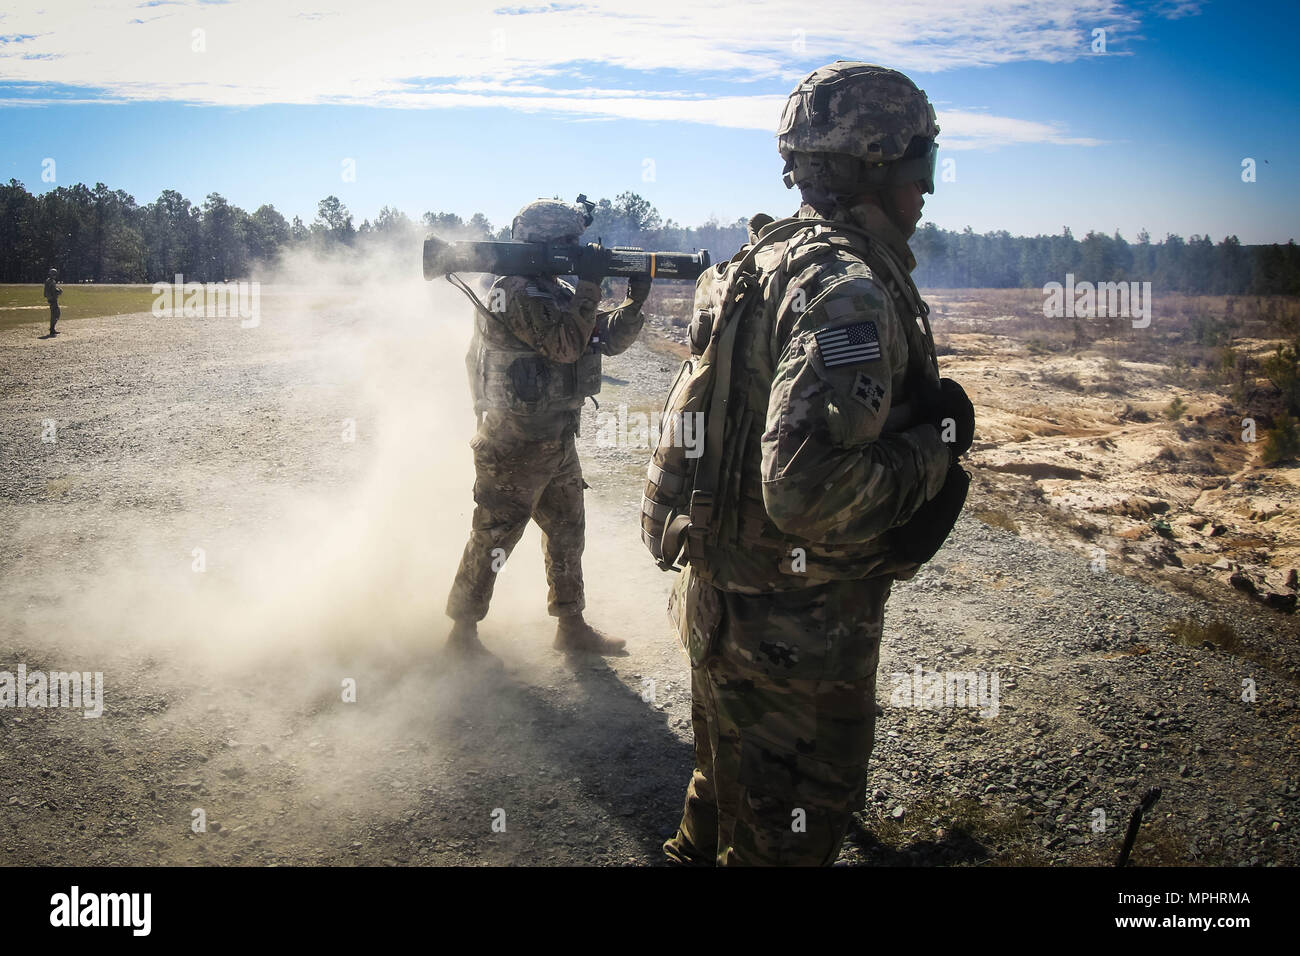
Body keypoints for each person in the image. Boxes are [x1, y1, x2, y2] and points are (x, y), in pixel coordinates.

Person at [662, 62, 976, 866]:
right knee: (786, 835)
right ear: (871, 171)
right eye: (919, 172)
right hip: (797, 636)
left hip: (721, 602)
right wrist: (932, 450)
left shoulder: (753, 265)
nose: (925, 194)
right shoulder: (846, 293)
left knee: (718, 792)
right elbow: (809, 491)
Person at [445, 198, 652, 660]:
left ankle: (571, 626)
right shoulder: (515, 290)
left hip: (555, 435)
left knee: (566, 532)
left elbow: (599, 339)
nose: (576, 250)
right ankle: (461, 635)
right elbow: (563, 345)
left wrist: (634, 304)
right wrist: (591, 284)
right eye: (569, 243)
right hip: (513, 439)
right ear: (547, 243)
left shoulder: (553, 289)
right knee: (495, 534)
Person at [44, 268, 62, 336]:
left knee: (55, 314)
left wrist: (57, 291)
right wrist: (59, 292)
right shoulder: (51, 281)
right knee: (56, 314)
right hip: (53, 300)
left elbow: (48, 291)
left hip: (51, 299)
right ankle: (52, 329)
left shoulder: (48, 281)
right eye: (54, 274)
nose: (55, 275)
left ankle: (52, 329)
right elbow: (53, 291)